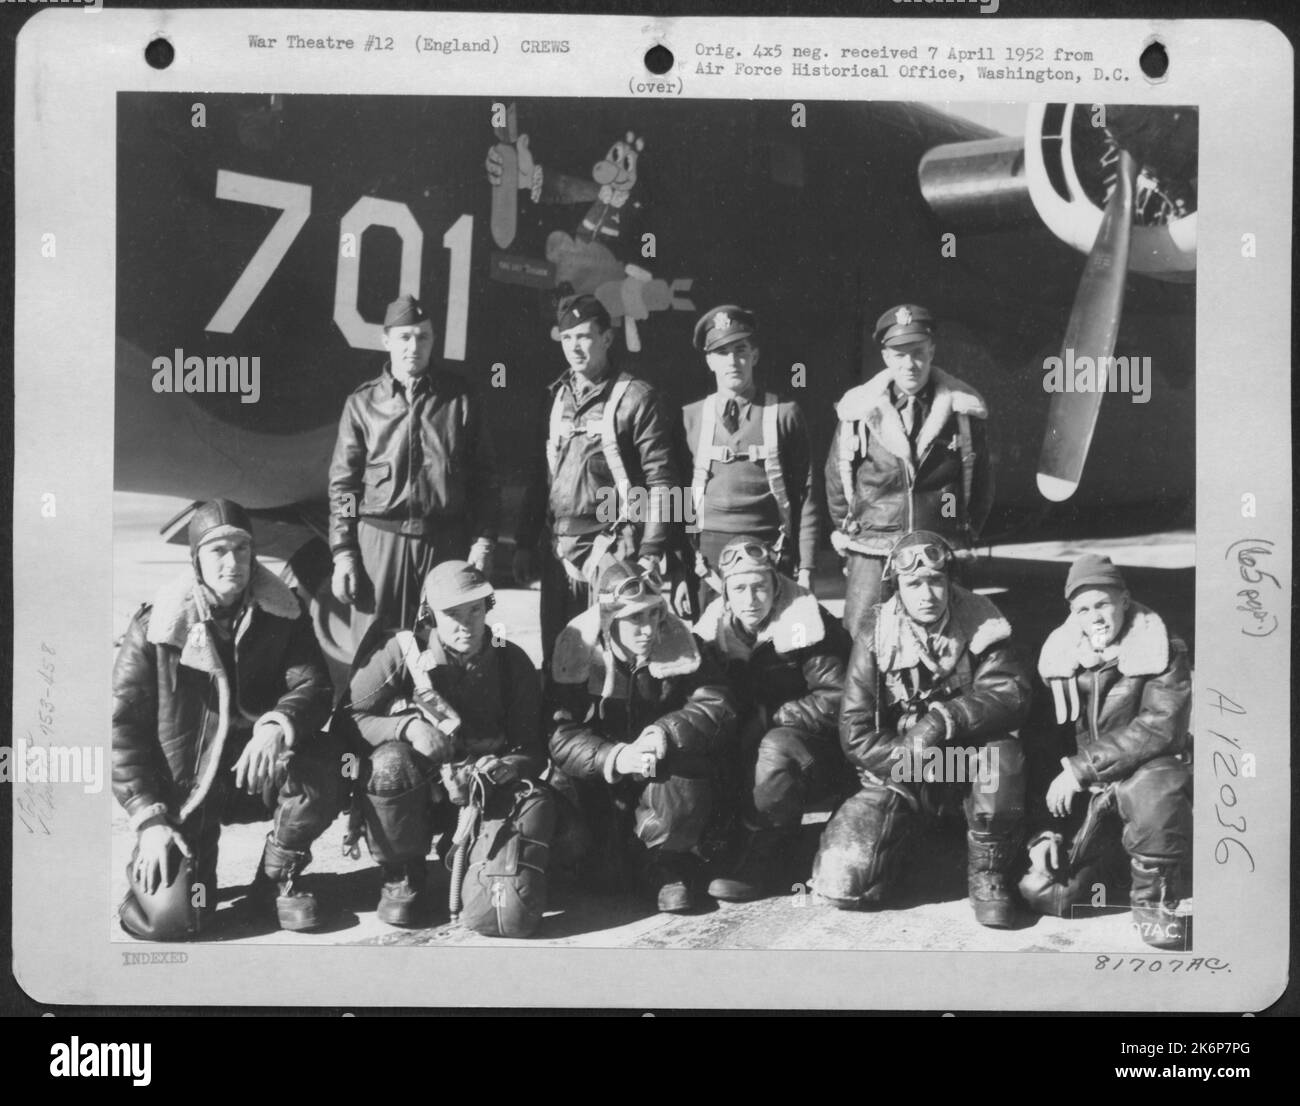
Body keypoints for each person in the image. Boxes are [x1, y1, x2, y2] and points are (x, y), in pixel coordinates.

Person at [112, 499, 337, 939]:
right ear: (195, 559)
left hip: (251, 776)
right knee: (180, 919)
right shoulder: (156, 625)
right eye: (218, 550)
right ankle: (156, 884)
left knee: (326, 763)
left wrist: (276, 724)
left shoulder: (284, 613)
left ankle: (275, 880)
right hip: (184, 792)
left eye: (241, 548)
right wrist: (149, 818)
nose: (232, 561)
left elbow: (315, 687)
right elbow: (123, 731)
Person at [812, 530, 1031, 927]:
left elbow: (1011, 694)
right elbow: (856, 731)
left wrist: (941, 720)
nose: (927, 594)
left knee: (1001, 758)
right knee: (843, 880)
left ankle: (988, 872)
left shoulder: (985, 623)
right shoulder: (876, 631)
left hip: (967, 765)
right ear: (897, 587)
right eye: (914, 584)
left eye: (936, 582)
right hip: (903, 769)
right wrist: (910, 759)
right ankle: (906, 840)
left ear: (950, 583)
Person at [340, 560, 543, 927]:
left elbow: (532, 746)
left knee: (506, 899)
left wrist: (499, 770)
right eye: (452, 614)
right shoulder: (400, 652)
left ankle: (468, 859)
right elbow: (349, 720)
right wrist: (408, 728)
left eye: (475, 610)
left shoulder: (510, 660)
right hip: (419, 786)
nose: (466, 624)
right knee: (388, 763)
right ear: (429, 615)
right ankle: (402, 875)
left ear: (488, 610)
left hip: (481, 791)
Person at [1019, 554, 1193, 950]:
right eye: (1083, 609)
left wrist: (1081, 768)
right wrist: (1043, 832)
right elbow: (1044, 746)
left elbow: (1159, 726)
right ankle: (1117, 860)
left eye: (1102, 604)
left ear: (1125, 601)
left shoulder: (1162, 648)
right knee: (1044, 894)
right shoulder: (1058, 659)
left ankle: (1155, 904)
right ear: (1072, 614)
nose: (1095, 617)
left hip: (1139, 779)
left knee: (1157, 780)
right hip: (1093, 797)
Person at [546, 559, 737, 913]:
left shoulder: (684, 644)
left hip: (657, 778)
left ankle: (666, 862)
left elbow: (717, 704)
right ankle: (613, 857)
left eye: (653, 615)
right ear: (608, 620)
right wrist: (615, 757)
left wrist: (663, 732)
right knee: (602, 878)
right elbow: (560, 734)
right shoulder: (576, 653)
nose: (648, 629)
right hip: (599, 785)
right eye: (634, 618)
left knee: (688, 773)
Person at [514, 294, 680, 668]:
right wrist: (525, 541)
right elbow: (539, 478)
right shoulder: (554, 398)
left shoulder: (637, 397)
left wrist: (652, 549)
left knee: (613, 663)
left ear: (607, 338)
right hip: (560, 552)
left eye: (585, 336)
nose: (575, 346)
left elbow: (662, 481)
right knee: (561, 657)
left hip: (614, 548)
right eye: (568, 337)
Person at [328, 293, 501, 646]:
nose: (413, 346)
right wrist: (343, 551)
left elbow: (484, 480)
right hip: (380, 543)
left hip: (444, 541)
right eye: (404, 337)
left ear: (433, 340)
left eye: (422, 336)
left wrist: (483, 543)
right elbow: (344, 487)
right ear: (386, 340)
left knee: (442, 645)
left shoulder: (460, 400)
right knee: (374, 651)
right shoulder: (362, 404)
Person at [694, 537, 852, 901]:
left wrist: (771, 716)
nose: (750, 599)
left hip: (815, 750)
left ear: (775, 584)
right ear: (725, 593)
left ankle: (767, 856)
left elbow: (839, 698)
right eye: (739, 589)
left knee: (774, 747)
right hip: (748, 740)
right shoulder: (712, 630)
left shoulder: (809, 622)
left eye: (760, 587)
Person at [825, 304, 993, 638]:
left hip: (940, 544)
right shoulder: (859, 411)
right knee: (863, 639)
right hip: (874, 544)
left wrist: (960, 532)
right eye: (899, 354)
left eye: (917, 352)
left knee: (951, 638)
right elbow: (838, 477)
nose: (910, 364)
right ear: (886, 356)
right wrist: (852, 531)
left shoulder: (963, 411)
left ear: (932, 351)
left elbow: (980, 483)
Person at [679, 306, 822, 611]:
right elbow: (676, 496)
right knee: (713, 650)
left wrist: (807, 567)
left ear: (754, 355)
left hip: (769, 550)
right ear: (709, 361)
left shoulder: (784, 413)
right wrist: (680, 570)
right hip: (709, 560)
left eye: (740, 350)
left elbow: (806, 495)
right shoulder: (690, 418)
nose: (732, 361)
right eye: (721, 352)